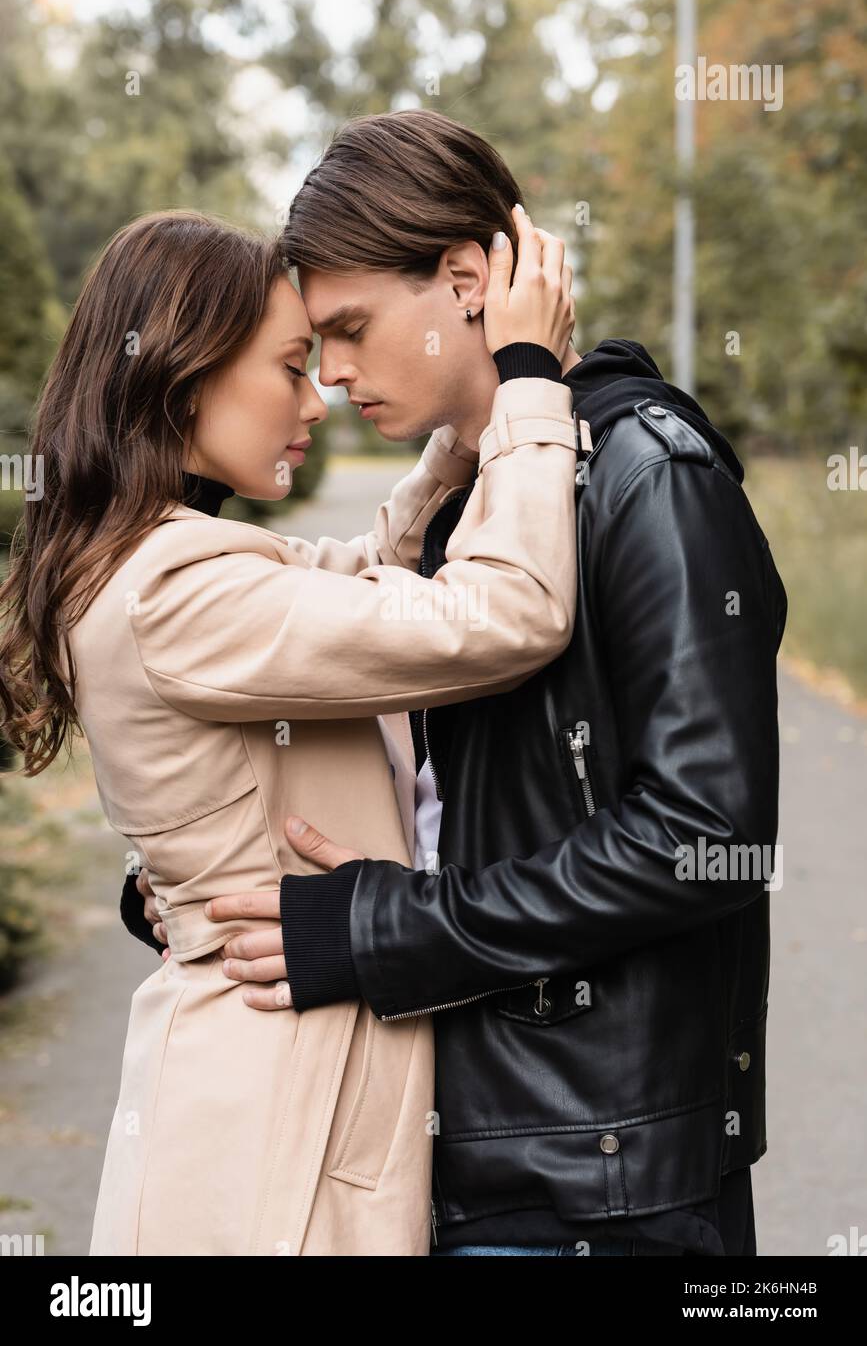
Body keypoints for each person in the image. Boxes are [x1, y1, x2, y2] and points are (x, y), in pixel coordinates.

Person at [128, 110, 787, 1257]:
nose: (328, 375)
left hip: (601, 1179)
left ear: (469, 278)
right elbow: (434, 811)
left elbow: (706, 832)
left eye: (348, 327)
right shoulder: (470, 512)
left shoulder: (646, 479)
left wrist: (387, 928)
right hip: (447, 1151)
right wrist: (211, 881)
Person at [0, 203, 580, 1255]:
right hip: (268, 1125)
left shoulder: (167, 556)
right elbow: (507, 615)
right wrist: (532, 383)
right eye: (289, 367)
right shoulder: (178, 588)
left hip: (285, 1082)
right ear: (183, 376)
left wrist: (458, 431)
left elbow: (362, 581)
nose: (317, 399)